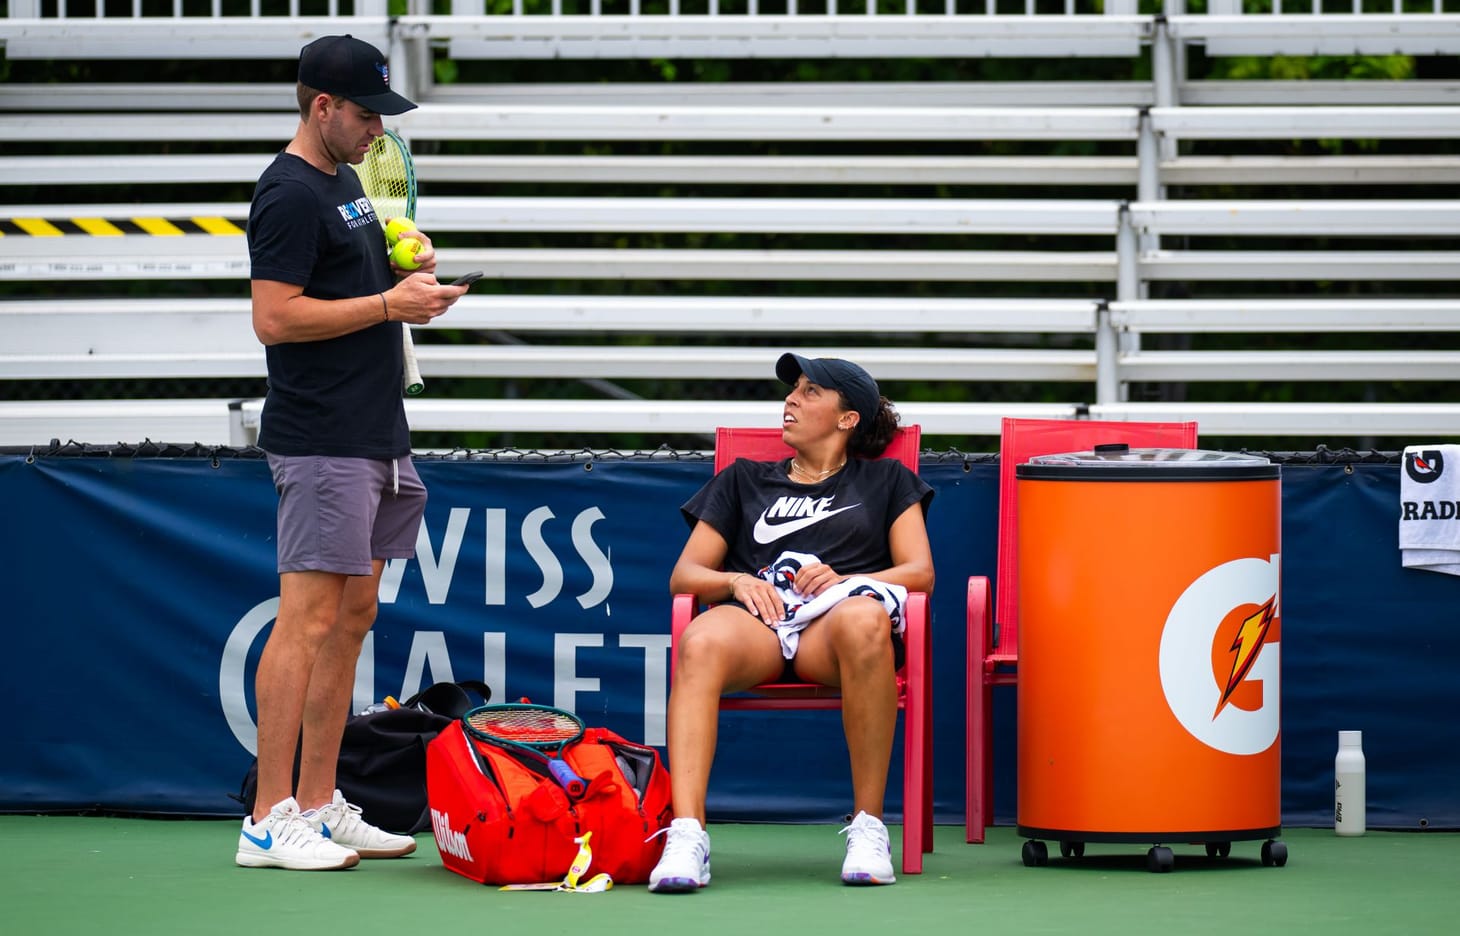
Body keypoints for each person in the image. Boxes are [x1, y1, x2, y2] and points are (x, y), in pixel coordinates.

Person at [237, 34, 470, 871]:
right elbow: (275, 319)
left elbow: (365, 292)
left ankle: (320, 800)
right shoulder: (289, 193)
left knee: (354, 617)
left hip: (377, 430)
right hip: (322, 437)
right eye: (368, 112)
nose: (380, 129)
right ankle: (267, 819)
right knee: (306, 621)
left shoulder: (347, 184)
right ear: (320, 107)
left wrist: (414, 278)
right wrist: (385, 303)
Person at [649, 353, 935, 891]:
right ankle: (687, 834)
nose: (790, 400)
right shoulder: (743, 479)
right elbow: (685, 575)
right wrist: (735, 581)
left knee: (865, 620)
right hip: (759, 623)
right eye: (792, 390)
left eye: (809, 392)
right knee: (700, 638)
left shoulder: (887, 481)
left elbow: (920, 573)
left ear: (847, 419)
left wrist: (845, 579)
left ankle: (868, 826)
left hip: (832, 631)